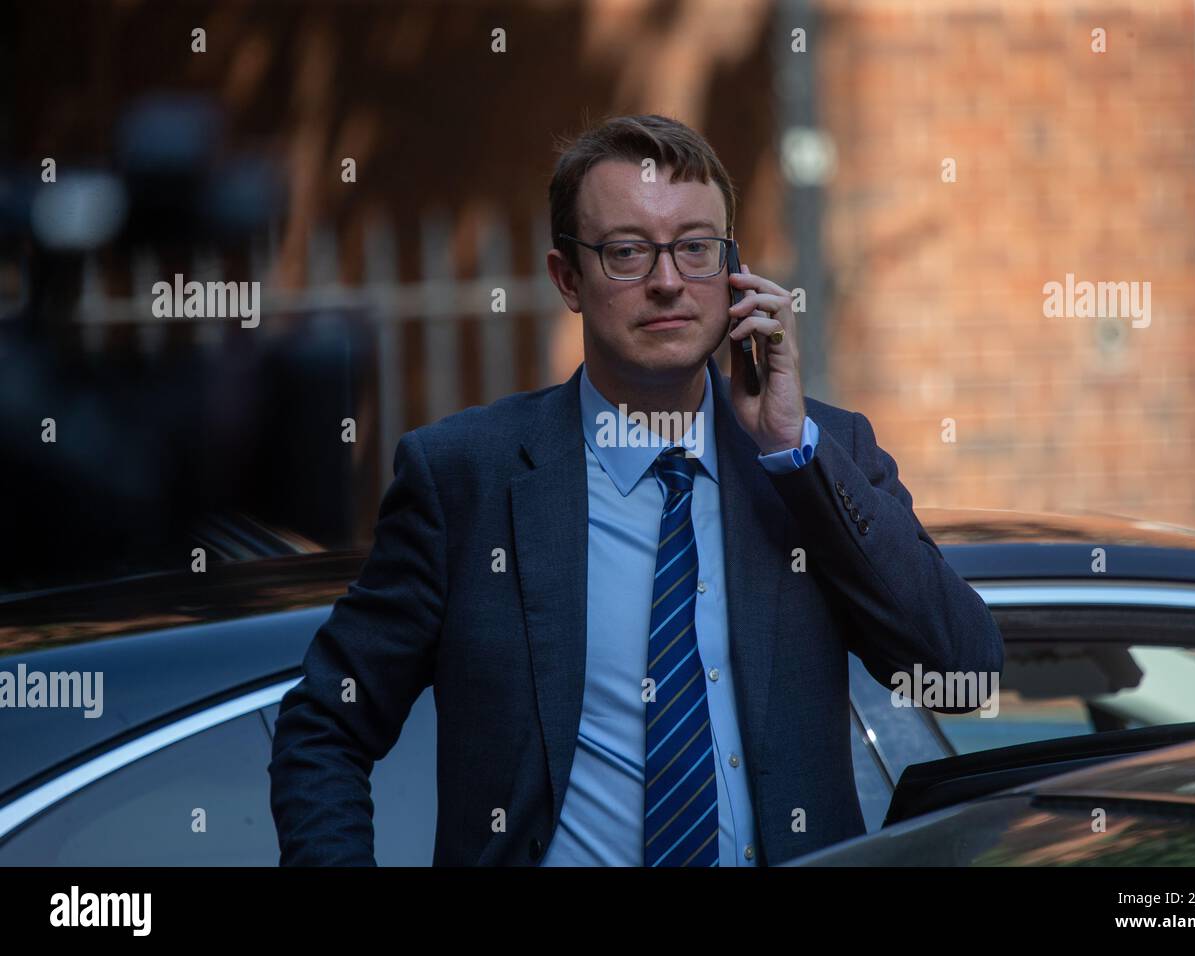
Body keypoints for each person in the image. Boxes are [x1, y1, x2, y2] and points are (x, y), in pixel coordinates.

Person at [268, 113, 1003, 867]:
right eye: (626, 252)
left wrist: (792, 453)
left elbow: (962, 675)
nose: (667, 281)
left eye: (696, 248)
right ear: (568, 279)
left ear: (735, 272)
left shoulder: (820, 454)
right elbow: (324, 727)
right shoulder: (467, 477)